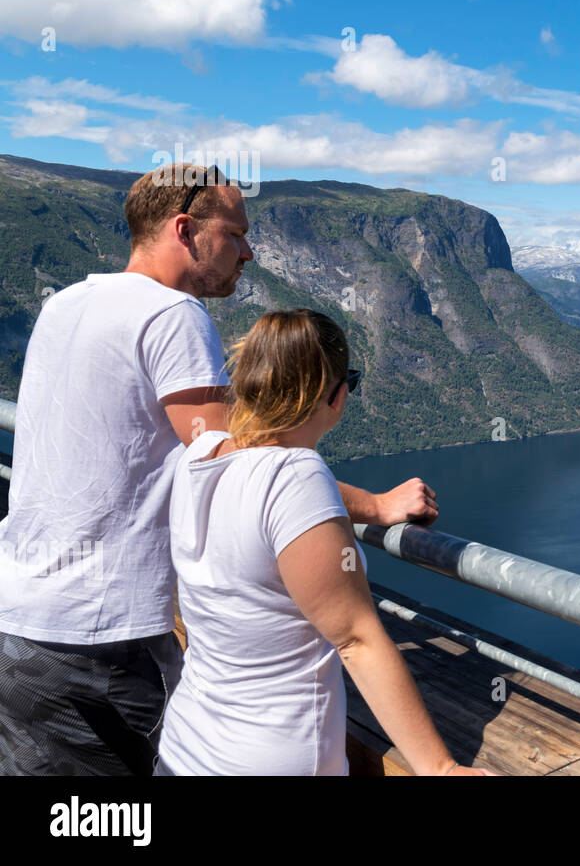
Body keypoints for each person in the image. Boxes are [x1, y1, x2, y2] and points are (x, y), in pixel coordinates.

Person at [0, 164, 438, 776]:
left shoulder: (68, 302)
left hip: (20, 615)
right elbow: (243, 463)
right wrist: (381, 506)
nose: (248, 251)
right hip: (103, 634)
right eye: (234, 234)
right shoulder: (170, 315)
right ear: (186, 230)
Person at [156, 309, 490, 775]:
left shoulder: (198, 455)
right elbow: (357, 640)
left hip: (188, 747)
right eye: (349, 380)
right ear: (334, 396)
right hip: (276, 759)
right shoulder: (296, 476)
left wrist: (375, 504)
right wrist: (441, 769)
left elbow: (275, 489)